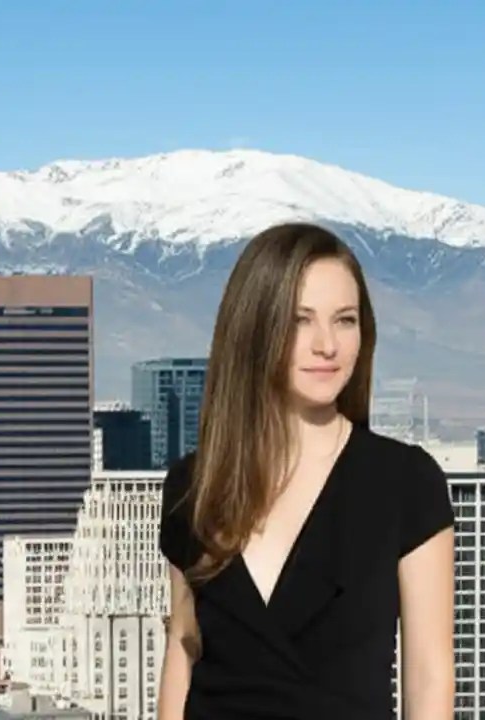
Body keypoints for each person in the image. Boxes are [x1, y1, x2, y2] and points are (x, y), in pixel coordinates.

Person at [156, 222, 454, 719]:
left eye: (345, 320)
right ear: (255, 329)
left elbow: (429, 678)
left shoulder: (406, 484)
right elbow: (184, 648)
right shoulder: (193, 486)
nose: (327, 345)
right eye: (300, 320)